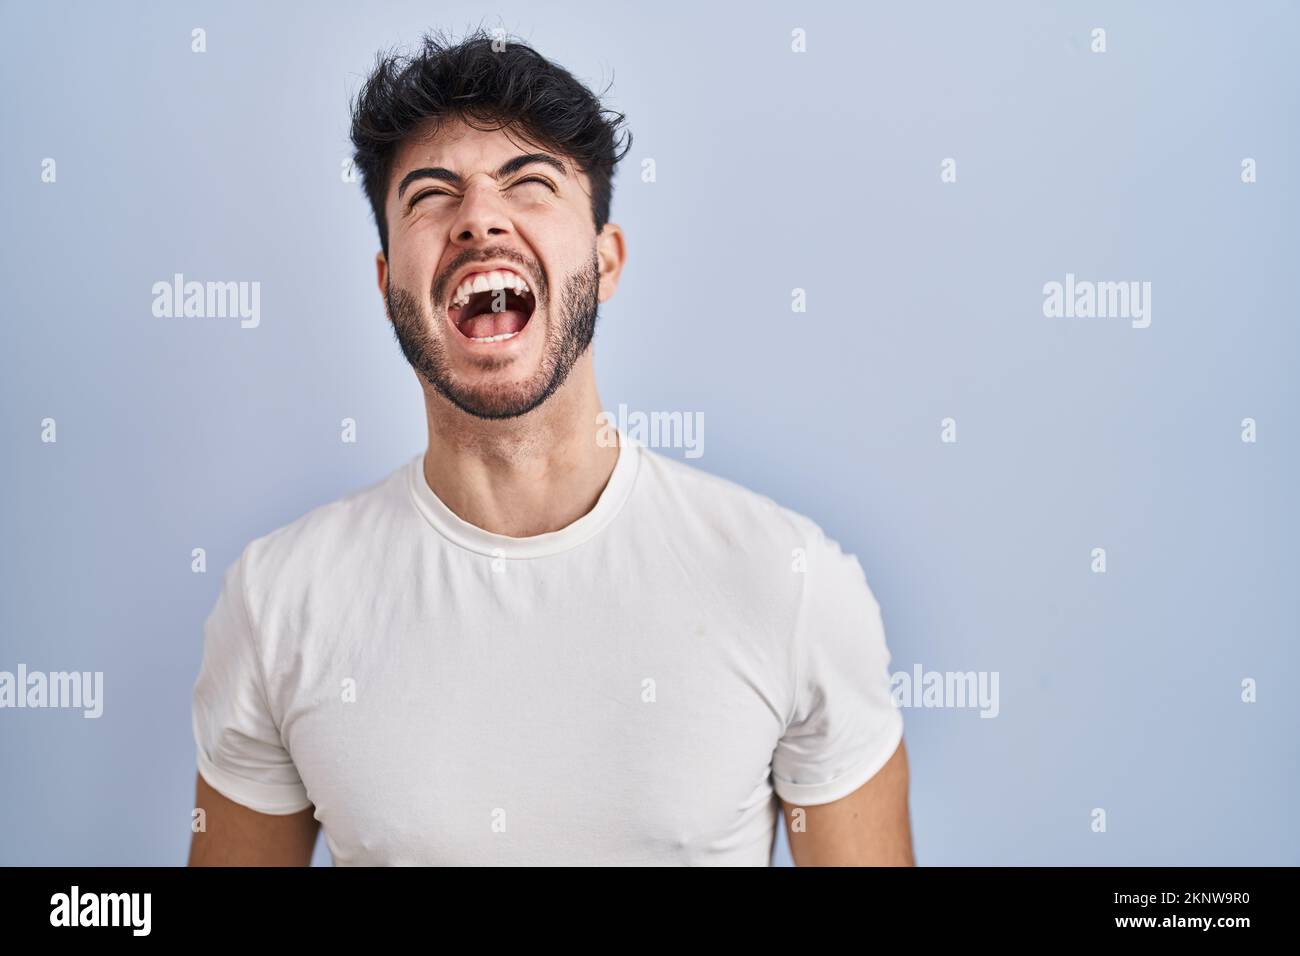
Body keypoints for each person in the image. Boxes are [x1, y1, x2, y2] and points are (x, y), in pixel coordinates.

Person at [188, 30, 913, 866]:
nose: (479, 218)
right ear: (389, 289)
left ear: (605, 262)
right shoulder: (278, 603)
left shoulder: (790, 584)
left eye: (529, 183)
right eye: (432, 194)